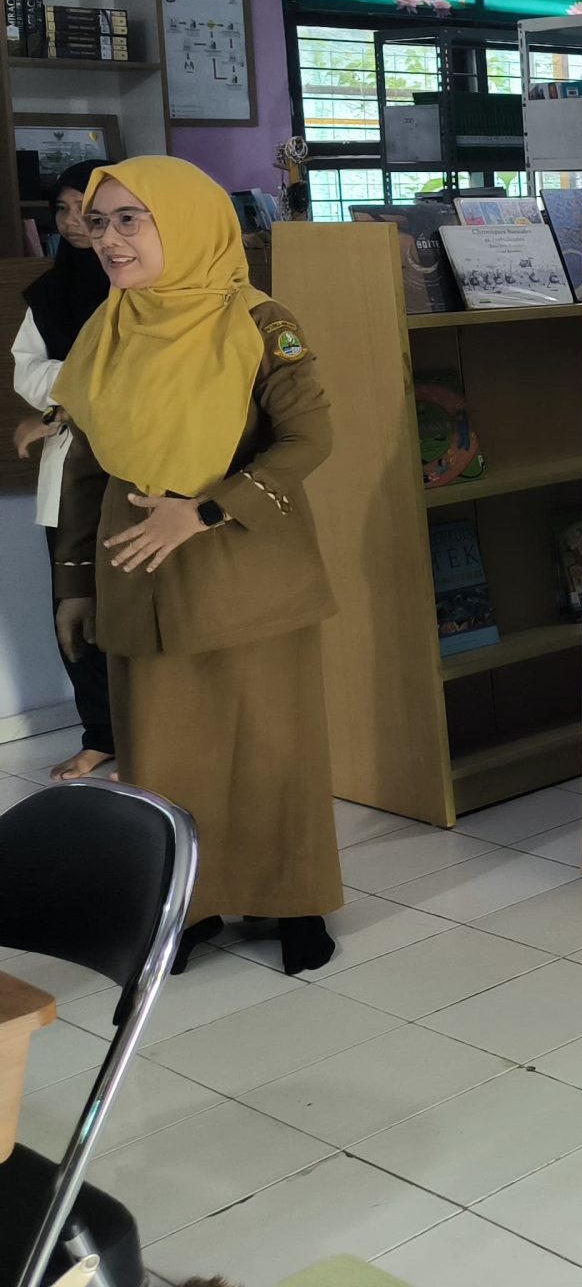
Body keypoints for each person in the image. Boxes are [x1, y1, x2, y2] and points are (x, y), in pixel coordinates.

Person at [51, 158, 342, 975]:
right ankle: (187, 904)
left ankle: (294, 902)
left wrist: (204, 509)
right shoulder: (107, 330)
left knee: (269, 751)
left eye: (129, 219)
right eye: (99, 222)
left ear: (183, 223)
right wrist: (73, 582)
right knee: (164, 757)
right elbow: (84, 467)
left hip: (244, 565)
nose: (107, 238)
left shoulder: (256, 320)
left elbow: (309, 439)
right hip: (138, 574)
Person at [12, 160, 113, 778]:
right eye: (64, 210)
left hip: (136, 472)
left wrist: (61, 400)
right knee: (74, 607)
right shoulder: (50, 293)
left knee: (132, 606)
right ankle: (102, 732)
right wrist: (66, 400)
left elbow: (140, 374)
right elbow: (29, 372)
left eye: (89, 209)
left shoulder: (145, 285)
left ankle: (155, 728)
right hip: (69, 471)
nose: (75, 223)